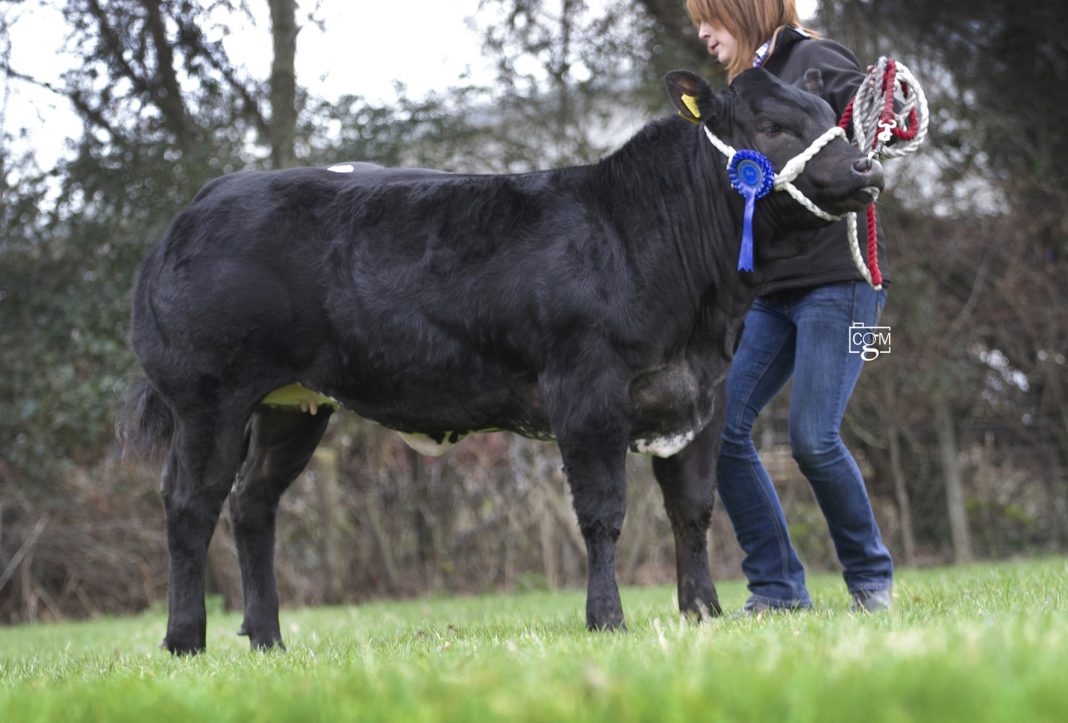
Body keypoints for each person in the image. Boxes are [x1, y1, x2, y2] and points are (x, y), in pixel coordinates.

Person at [685, 0, 894, 613]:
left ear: (742, 11)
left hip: (844, 287)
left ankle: (871, 582)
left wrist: (889, 112)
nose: (700, 33)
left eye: (709, 18)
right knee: (719, 428)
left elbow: (875, 120)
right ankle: (777, 590)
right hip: (772, 294)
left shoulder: (816, 57)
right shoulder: (739, 92)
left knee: (813, 438)